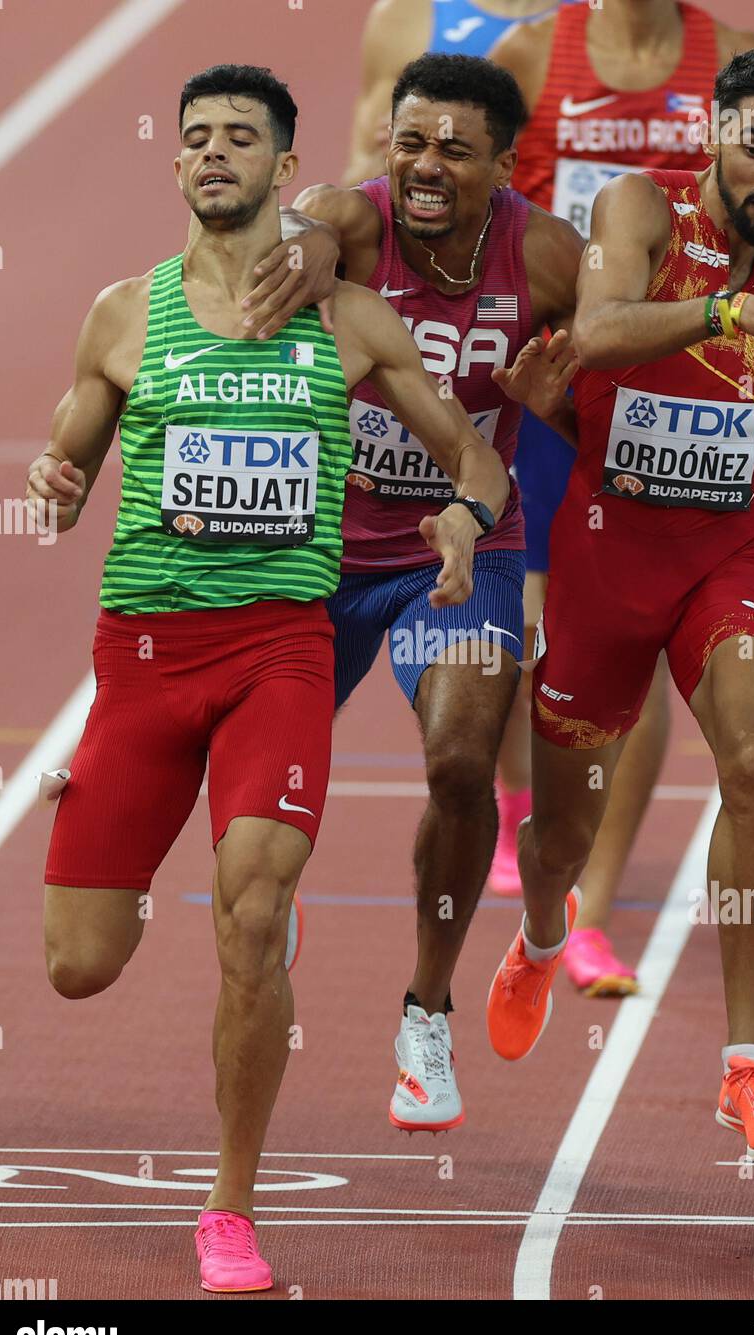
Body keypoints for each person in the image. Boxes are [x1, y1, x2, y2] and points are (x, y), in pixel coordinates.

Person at [25, 64, 508, 1292]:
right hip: (141, 658)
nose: (213, 154)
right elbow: (66, 459)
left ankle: (229, 1208)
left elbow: (476, 461)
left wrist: (458, 517)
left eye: (241, 138)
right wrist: (55, 486)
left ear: (287, 169)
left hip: (278, 652)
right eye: (195, 139)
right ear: (175, 163)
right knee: (79, 963)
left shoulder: (346, 322)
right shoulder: (122, 314)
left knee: (252, 910)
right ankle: (115, 802)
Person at [484, 42, 754, 1164]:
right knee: (559, 844)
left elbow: (690, 384)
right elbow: (596, 332)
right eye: (751, 140)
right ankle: (544, 937)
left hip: (726, 547)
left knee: (752, 762)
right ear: (713, 137)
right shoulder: (641, 207)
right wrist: (737, 313)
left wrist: (750, 314)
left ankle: (747, 1069)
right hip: (603, 551)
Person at [252, 53, 581, 1133]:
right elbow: (295, 235)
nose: (426, 165)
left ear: (502, 163)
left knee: (458, 757)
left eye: (454, 148)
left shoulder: (544, 254)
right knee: (255, 784)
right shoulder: (346, 219)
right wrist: (296, 247)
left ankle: (425, 1014)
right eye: (410, 142)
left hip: (465, 544)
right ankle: (267, 885)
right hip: (317, 547)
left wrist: (556, 404)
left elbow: (603, 404)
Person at [342, 0, 567, 186]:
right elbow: (359, 175)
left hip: (552, 224)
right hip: (437, 221)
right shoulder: (408, 12)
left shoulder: (596, 18)